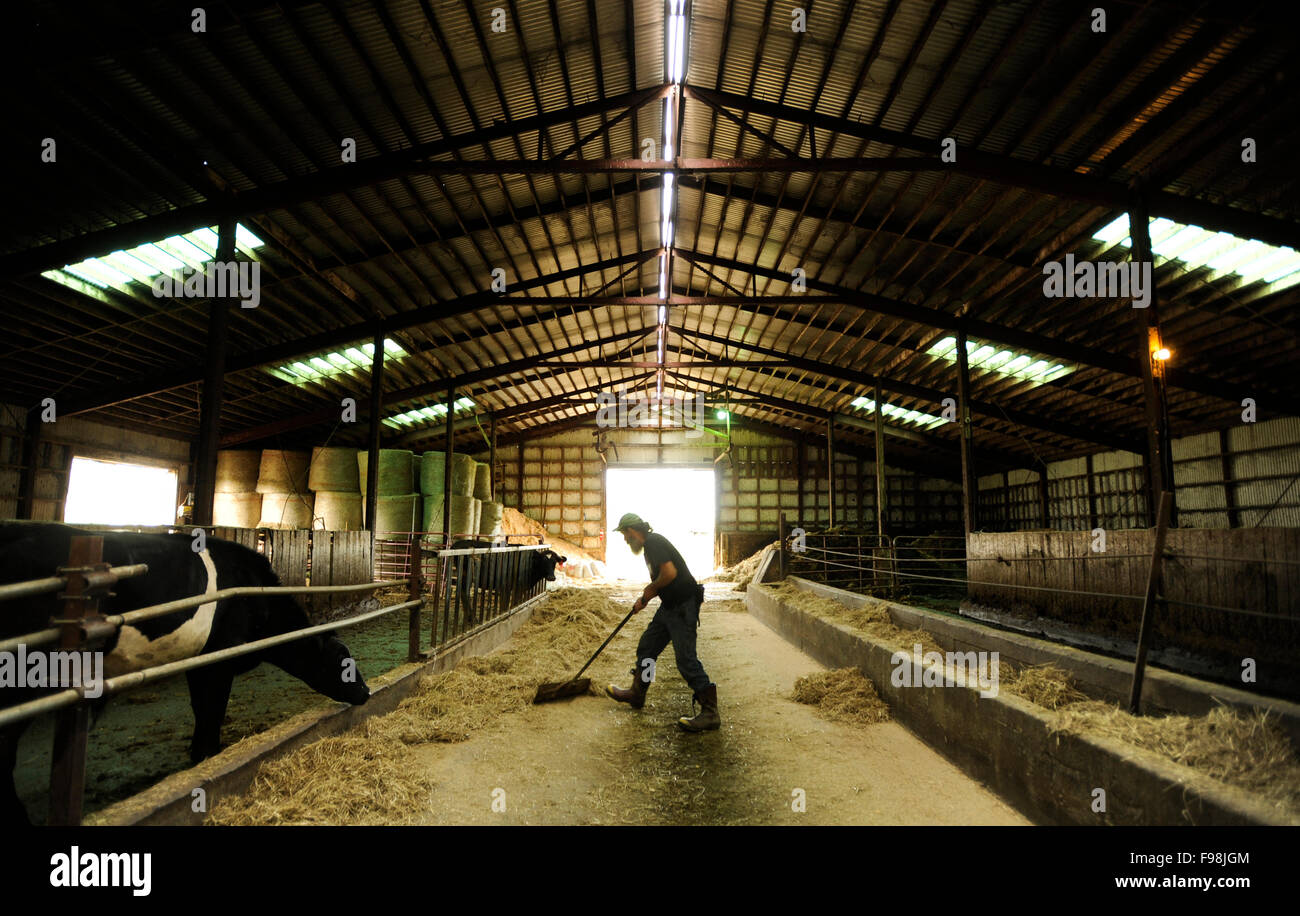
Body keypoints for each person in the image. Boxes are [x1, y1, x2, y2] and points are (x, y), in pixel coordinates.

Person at [606, 513, 719, 732]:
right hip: (669, 606)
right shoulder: (650, 547)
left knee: (686, 660)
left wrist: (650, 590)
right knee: (648, 647)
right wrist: (646, 599)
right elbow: (664, 580)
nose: (625, 540)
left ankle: (710, 712)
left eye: (625, 535)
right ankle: (638, 693)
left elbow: (669, 573)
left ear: (632, 531)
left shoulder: (654, 542)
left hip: (682, 606)